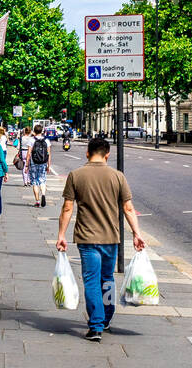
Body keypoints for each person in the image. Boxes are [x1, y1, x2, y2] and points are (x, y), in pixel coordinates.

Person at [56, 132, 145, 341]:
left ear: (87, 153)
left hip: (87, 238)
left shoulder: (76, 175)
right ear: (107, 155)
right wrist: (136, 234)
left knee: (91, 281)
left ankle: (95, 326)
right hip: (111, 238)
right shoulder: (117, 176)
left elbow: (67, 208)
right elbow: (128, 208)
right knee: (107, 278)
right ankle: (106, 317)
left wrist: (61, 235)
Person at [27, 123, 52, 208]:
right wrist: (48, 165)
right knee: (42, 180)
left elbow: (29, 154)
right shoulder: (47, 141)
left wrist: (26, 165)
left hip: (34, 162)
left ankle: (37, 201)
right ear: (42, 131)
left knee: (34, 182)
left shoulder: (31, 140)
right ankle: (43, 194)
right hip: (43, 163)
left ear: (34, 131)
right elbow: (49, 154)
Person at [14, 123, 35, 194]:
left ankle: (25, 182)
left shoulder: (22, 138)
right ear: (30, 132)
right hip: (29, 152)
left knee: (24, 166)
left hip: (23, 152)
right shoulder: (31, 138)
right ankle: (29, 180)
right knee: (29, 166)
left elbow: (18, 146)